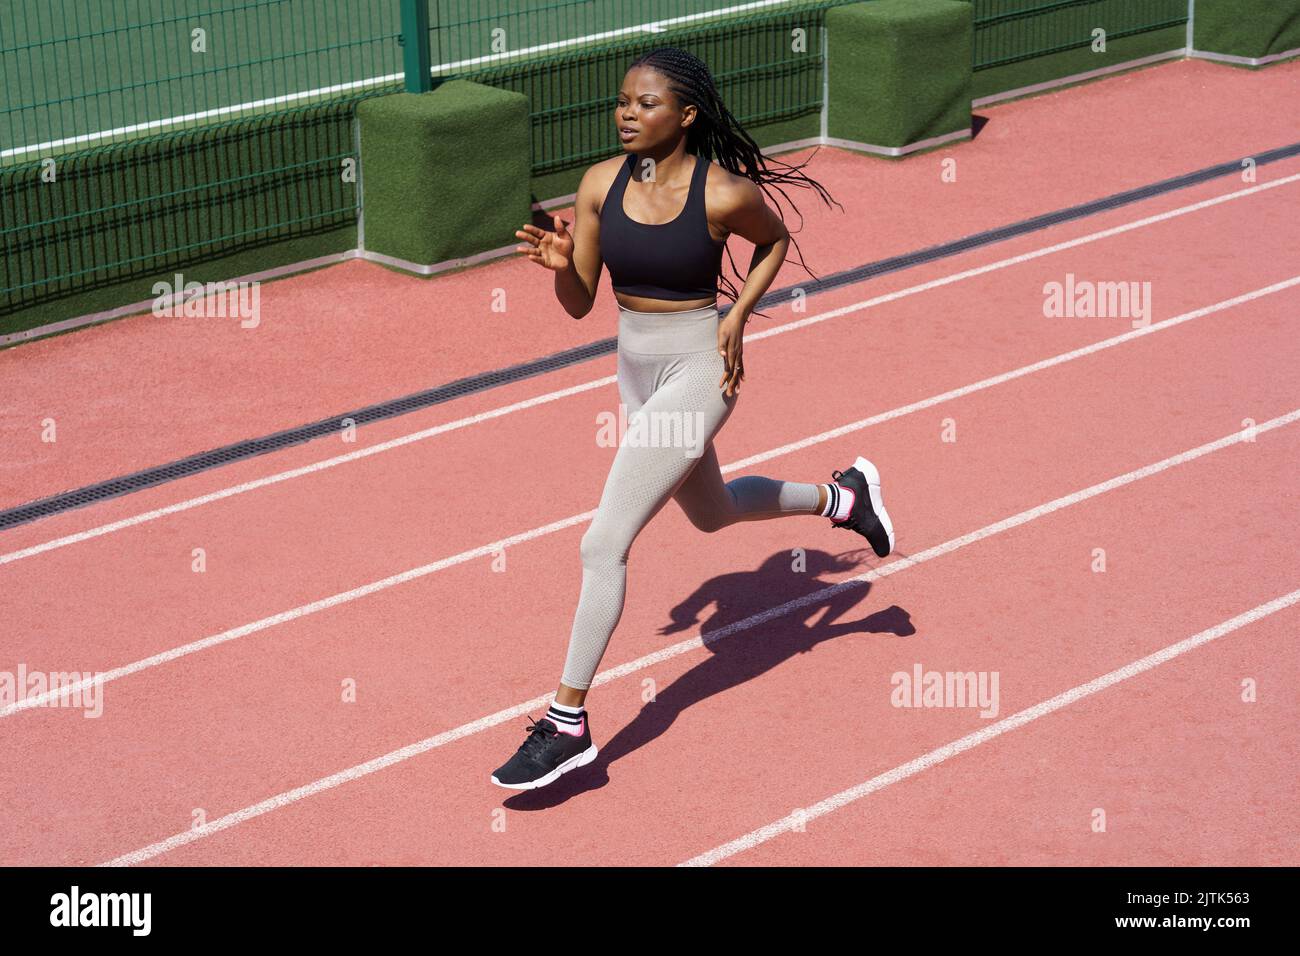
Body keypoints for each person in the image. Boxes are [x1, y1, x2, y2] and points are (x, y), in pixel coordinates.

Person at [493, 46, 894, 790]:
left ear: (686, 115)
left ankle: (567, 723)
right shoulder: (597, 186)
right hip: (636, 368)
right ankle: (844, 499)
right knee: (710, 515)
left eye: (645, 105)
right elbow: (583, 301)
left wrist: (739, 315)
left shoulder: (722, 195)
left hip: (699, 370)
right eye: (621, 102)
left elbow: (775, 242)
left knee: (602, 541)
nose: (626, 115)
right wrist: (562, 267)